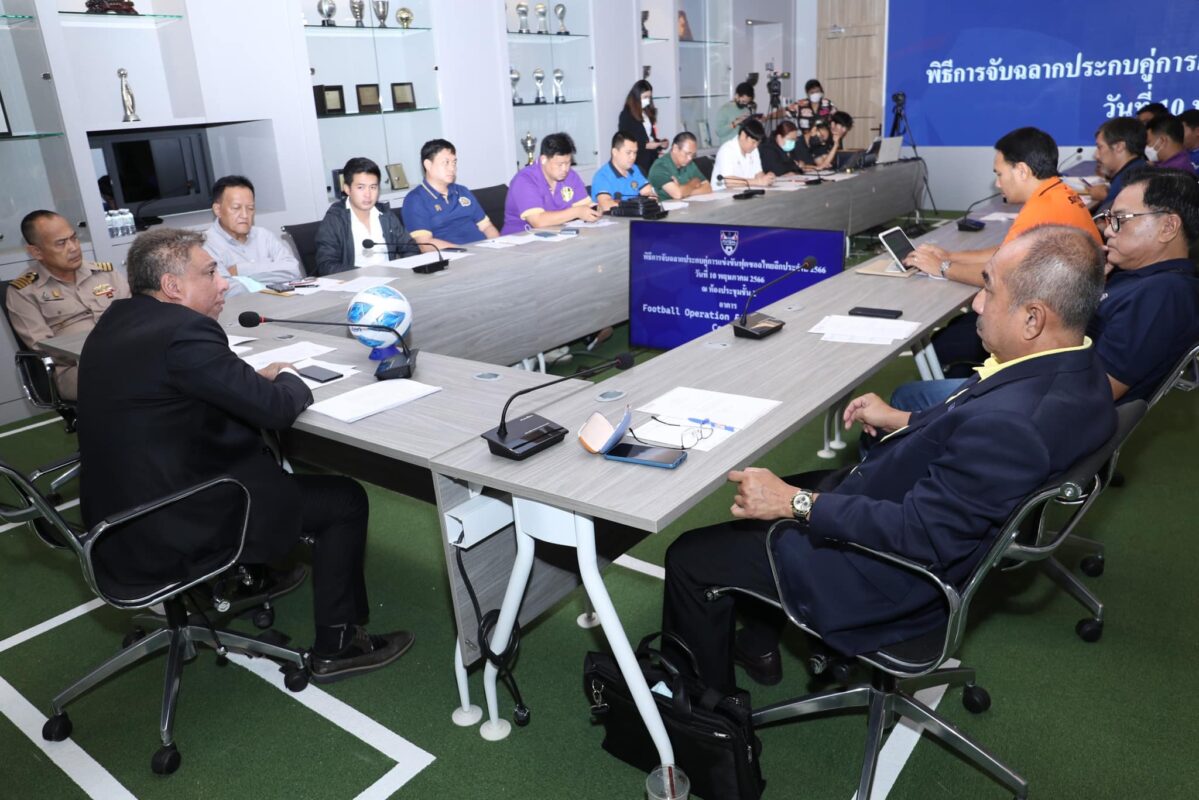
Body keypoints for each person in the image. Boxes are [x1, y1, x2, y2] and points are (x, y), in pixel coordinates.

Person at [661, 225, 1117, 693]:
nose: (977, 302)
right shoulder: (1080, 370)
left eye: (989, 288)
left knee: (691, 555)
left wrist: (794, 503)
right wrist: (904, 419)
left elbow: (918, 535)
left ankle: (703, 712)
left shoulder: (1014, 425)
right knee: (757, 517)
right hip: (897, 497)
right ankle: (759, 637)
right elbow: (970, 424)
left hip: (883, 575)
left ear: (1032, 320)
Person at [77, 227, 413, 684]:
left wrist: (246, 379)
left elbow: (175, 389)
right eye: (210, 272)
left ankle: (258, 576)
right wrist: (290, 377)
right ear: (173, 287)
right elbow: (275, 410)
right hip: (173, 521)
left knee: (257, 460)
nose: (223, 283)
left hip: (114, 521)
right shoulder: (185, 330)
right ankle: (339, 644)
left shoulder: (114, 323)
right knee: (344, 499)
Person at [906, 127, 1101, 288]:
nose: (998, 184)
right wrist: (950, 256)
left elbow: (997, 274)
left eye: (999, 174)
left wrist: (942, 267)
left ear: (1022, 171)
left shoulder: (1041, 209)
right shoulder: (1059, 191)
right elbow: (1006, 253)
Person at [1089, 169, 1199, 402]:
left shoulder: (1161, 296)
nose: (1108, 230)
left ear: (1168, 227)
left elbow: (1094, 395)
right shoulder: (1142, 278)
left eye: (1120, 220)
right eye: (1109, 220)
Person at [6, 210, 129, 401]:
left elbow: (136, 317)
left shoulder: (106, 273)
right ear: (36, 252)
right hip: (75, 369)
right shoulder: (23, 292)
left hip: (126, 353)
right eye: (61, 243)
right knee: (128, 378)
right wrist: (99, 353)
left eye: (74, 238)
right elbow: (41, 346)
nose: (73, 248)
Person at [315, 156, 419, 275]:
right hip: (354, 285)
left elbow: (410, 248)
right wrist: (365, 273)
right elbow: (326, 265)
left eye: (373, 187)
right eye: (360, 187)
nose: (368, 194)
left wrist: (399, 271)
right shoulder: (335, 219)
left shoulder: (385, 214)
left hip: (391, 281)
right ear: (347, 189)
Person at [202, 175, 303, 296]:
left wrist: (240, 270)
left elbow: (294, 270)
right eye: (236, 208)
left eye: (250, 208)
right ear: (217, 210)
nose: (245, 215)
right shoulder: (206, 244)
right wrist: (273, 279)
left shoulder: (264, 235)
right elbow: (228, 290)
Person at [401, 139, 499, 249]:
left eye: (454, 162)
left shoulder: (462, 191)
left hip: (485, 253)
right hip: (453, 259)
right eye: (446, 163)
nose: (452, 168)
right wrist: (468, 251)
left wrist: (500, 246)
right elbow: (426, 245)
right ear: (428, 165)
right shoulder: (415, 200)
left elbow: (486, 226)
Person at [501, 132, 600, 234]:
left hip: (557, 235)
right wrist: (577, 212)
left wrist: (598, 209)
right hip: (520, 240)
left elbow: (587, 207)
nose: (565, 169)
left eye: (568, 163)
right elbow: (538, 221)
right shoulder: (524, 179)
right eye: (560, 164)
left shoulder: (571, 175)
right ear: (543, 159)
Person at [1086, 117, 1149, 213]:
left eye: (1100, 147)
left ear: (1119, 147)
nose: (1096, 155)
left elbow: (1104, 222)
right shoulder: (1140, 169)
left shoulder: (1126, 182)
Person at [591, 131, 656, 212]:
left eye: (635, 153)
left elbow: (650, 194)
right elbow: (606, 206)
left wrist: (650, 197)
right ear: (615, 152)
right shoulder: (602, 176)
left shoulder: (635, 169)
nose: (633, 157)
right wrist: (636, 205)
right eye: (628, 153)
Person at [617, 80, 668, 177]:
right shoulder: (626, 115)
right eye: (645, 97)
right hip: (638, 160)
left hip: (652, 158)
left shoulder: (647, 112)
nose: (648, 100)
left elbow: (649, 137)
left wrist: (660, 143)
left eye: (649, 97)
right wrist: (646, 145)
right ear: (636, 97)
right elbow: (624, 141)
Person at [711, 118, 774, 191]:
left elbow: (758, 173)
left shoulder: (754, 150)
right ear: (743, 136)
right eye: (753, 142)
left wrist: (767, 178)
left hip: (744, 194)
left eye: (758, 143)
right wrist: (759, 182)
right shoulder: (727, 150)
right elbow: (728, 181)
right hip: (723, 196)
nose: (756, 146)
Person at [647, 132, 713, 201]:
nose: (690, 158)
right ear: (675, 148)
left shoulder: (689, 163)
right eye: (687, 153)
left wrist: (684, 191)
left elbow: (708, 188)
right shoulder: (659, 167)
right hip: (666, 210)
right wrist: (694, 182)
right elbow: (678, 194)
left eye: (693, 155)